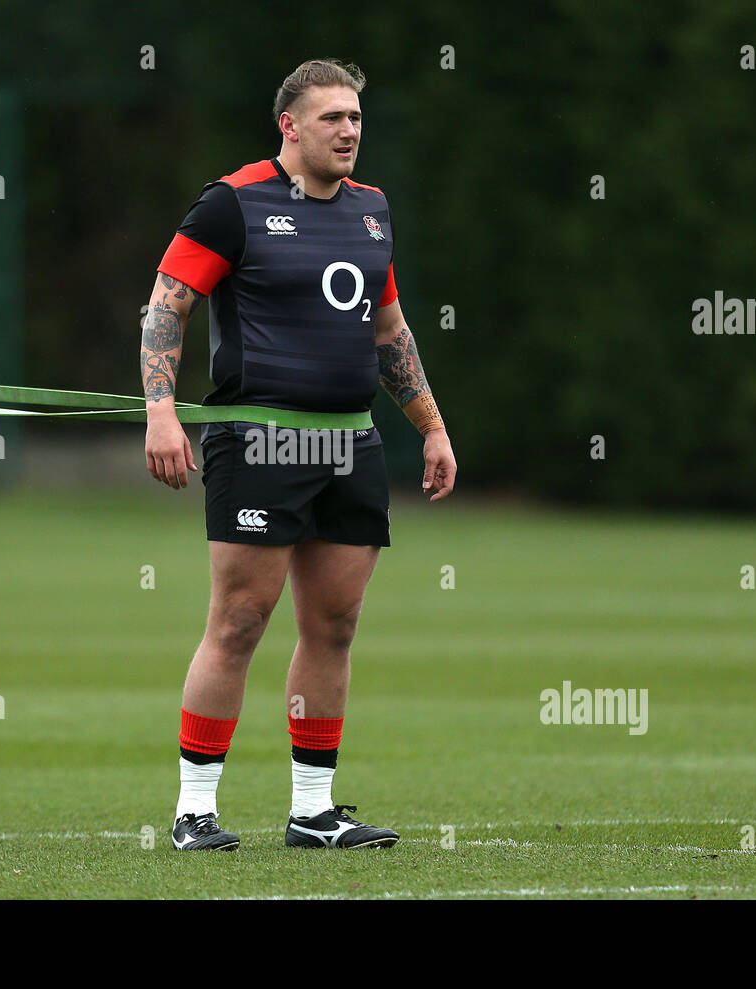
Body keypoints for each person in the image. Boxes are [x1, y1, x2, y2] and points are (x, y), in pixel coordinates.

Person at [142, 59, 457, 851]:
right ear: (289, 125)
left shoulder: (373, 211)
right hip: (259, 439)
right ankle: (192, 811)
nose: (349, 131)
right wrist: (160, 412)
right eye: (332, 118)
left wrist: (431, 425)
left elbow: (389, 333)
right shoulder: (233, 204)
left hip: (350, 441)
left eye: (355, 117)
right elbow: (167, 307)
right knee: (241, 620)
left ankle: (313, 811)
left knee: (336, 624)